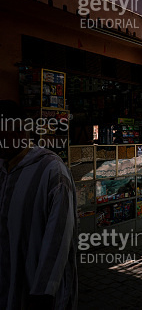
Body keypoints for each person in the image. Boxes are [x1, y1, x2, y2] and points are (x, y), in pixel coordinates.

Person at [0, 100, 78, 310]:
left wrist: (44, 290)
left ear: (18, 132)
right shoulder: (4, 168)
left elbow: (59, 236)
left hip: (37, 294)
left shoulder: (52, 171)